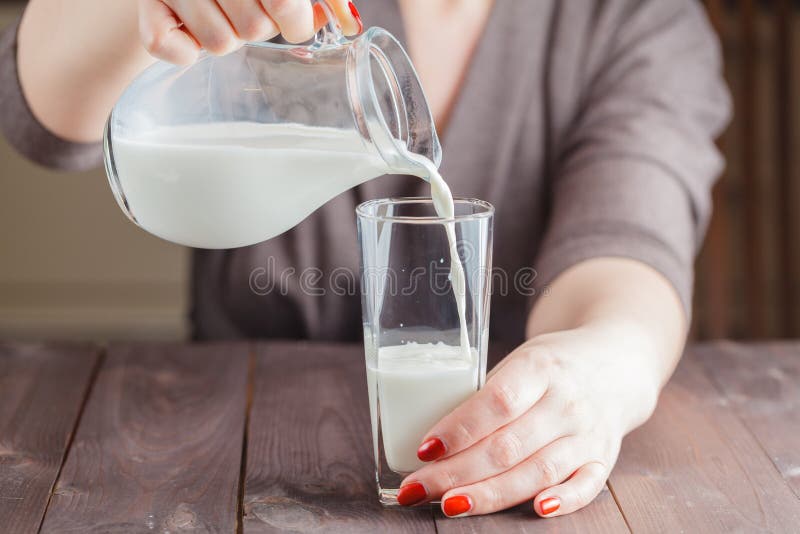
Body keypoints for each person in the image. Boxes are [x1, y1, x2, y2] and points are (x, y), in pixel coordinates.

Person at [0, 0, 730, 519]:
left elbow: (630, 241)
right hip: (216, 459)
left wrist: (605, 364)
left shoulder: (636, 19)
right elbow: (41, 120)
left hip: (497, 471)